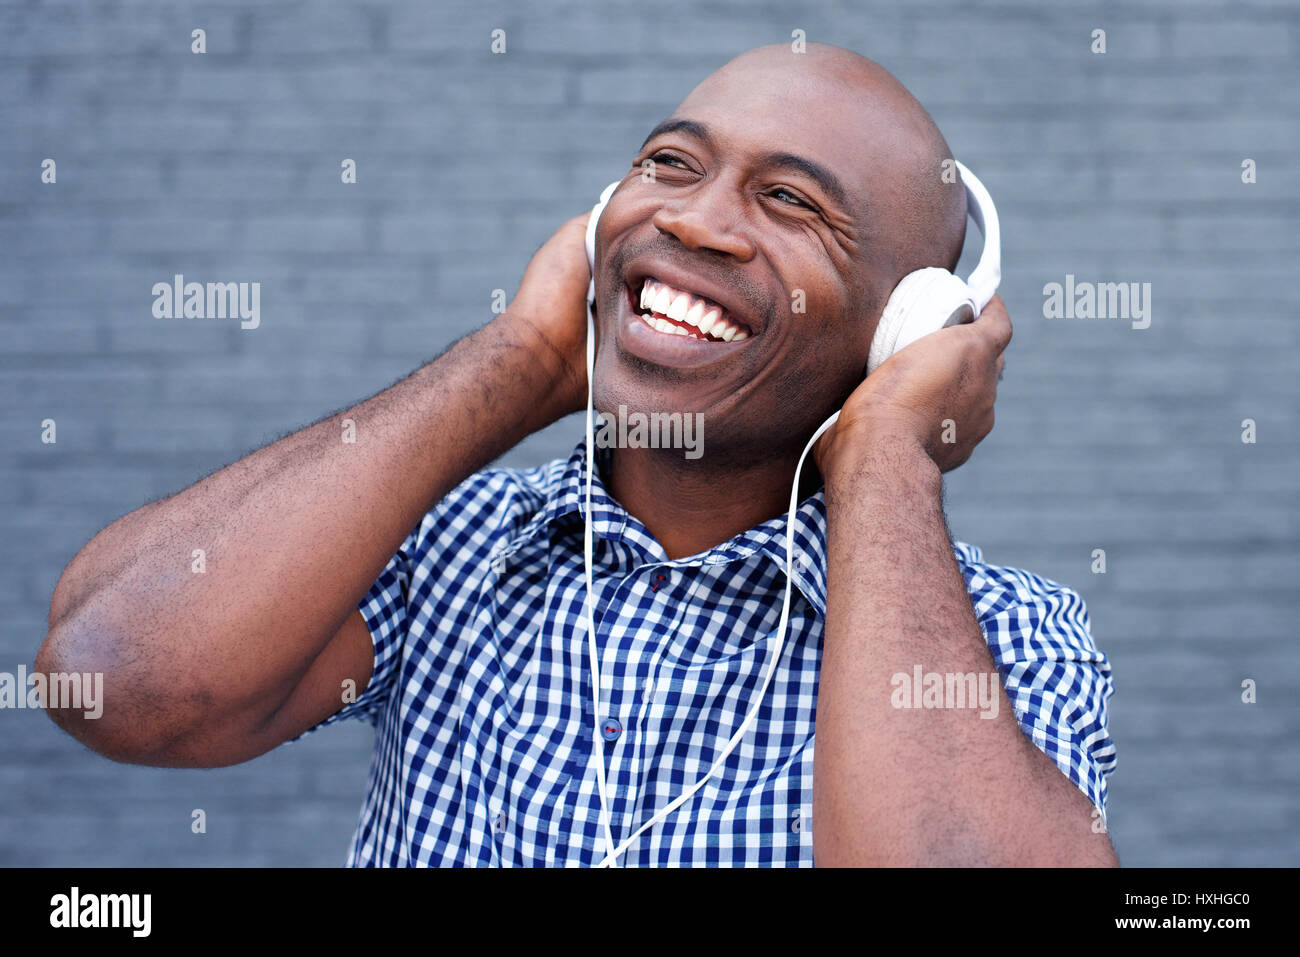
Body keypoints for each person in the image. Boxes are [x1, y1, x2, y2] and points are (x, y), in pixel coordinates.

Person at [37, 43, 1117, 866]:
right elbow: (113, 684)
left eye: (789, 201)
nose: (694, 222)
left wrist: (885, 453)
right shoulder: (446, 548)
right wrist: (518, 358)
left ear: (907, 330)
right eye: (667, 165)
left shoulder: (1012, 638)